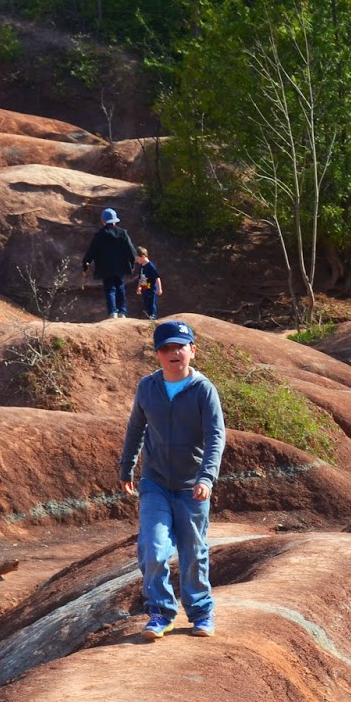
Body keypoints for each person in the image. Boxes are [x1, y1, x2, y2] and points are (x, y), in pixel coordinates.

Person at [118, 320, 226, 639]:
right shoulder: (147, 388)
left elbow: (215, 436)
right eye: (165, 348)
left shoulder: (203, 390)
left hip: (193, 484)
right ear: (158, 355)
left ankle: (201, 611)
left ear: (192, 350)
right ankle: (161, 612)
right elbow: (136, 428)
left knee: (193, 550)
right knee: (153, 547)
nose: (173, 353)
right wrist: (127, 467)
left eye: (179, 346)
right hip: (156, 483)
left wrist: (207, 477)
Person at [81, 207, 137, 319]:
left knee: (110, 288)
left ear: (103, 221)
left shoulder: (99, 235)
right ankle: (122, 312)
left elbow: (91, 252)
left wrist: (85, 265)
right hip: (120, 266)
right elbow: (131, 251)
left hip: (105, 267)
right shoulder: (123, 233)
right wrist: (132, 263)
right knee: (120, 286)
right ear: (115, 221)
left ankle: (113, 312)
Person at [135, 246, 162, 320]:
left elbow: (157, 277)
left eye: (137, 258)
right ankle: (148, 316)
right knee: (146, 303)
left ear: (143, 256)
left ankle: (153, 316)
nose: (137, 260)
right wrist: (139, 287)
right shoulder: (141, 266)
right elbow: (142, 278)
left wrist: (159, 289)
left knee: (151, 303)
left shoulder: (150, 266)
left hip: (151, 289)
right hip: (145, 289)